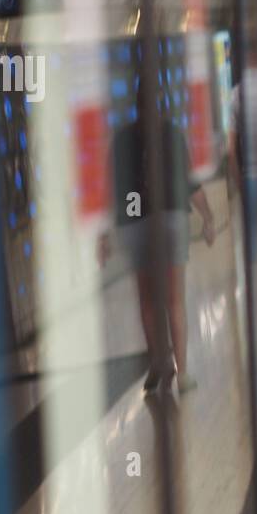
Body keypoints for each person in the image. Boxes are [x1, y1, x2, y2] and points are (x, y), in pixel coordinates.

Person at [100, 96, 216, 394]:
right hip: (170, 218)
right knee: (174, 299)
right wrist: (208, 217)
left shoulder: (122, 139)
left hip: (137, 220)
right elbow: (189, 183)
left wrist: (104, 235)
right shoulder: (172, 134)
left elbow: (112, 191)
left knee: (148, 299)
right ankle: (183, 373)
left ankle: (159, 362)